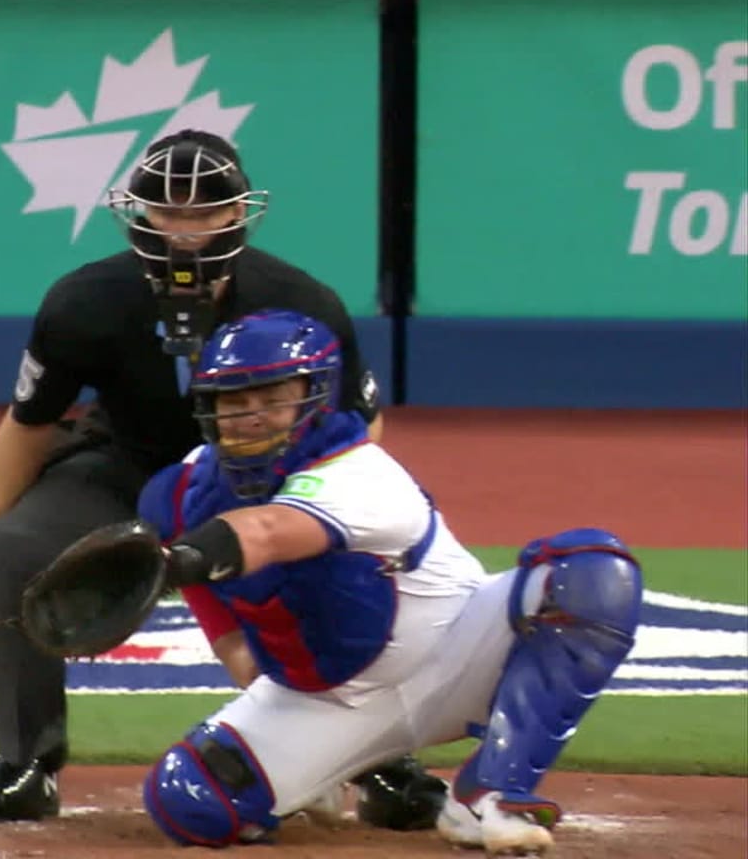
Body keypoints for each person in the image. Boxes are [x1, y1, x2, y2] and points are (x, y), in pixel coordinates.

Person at [0, 129, 443, 828]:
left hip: (262, 483)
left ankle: (381, 761)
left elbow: (359, 427)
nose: (185, 228)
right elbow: (29, 424)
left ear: (238, 213)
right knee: (11, 557)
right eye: (169, 209)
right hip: (126, 467)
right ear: (140, 214)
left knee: (350, 569)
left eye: (204, 209)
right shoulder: (85, 301)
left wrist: (324, 512)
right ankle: (25, 763)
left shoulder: (303, 302)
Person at [132, 309, 641, 854]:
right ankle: (347, 768)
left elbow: (266, 532)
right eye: (235, 400)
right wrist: (274, 707)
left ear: (315, 397)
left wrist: (171, 561)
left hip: (457, 658)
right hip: (328, 702)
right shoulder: (180, 495)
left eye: (274, 396)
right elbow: (228, 626)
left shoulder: (360, 474)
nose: (253, 415)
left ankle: (490, 793)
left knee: (590, 574)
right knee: (189, 802)